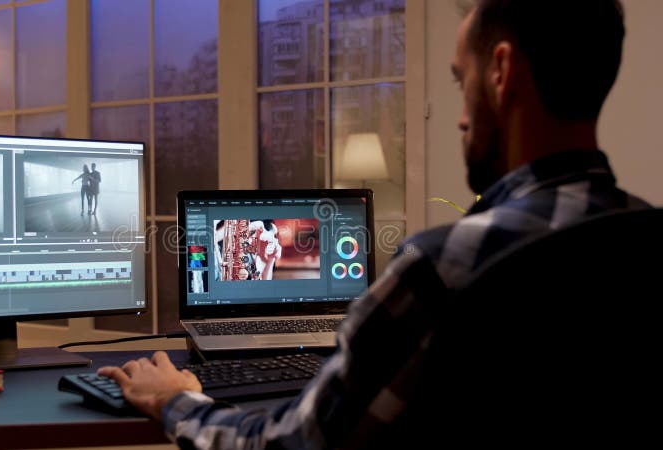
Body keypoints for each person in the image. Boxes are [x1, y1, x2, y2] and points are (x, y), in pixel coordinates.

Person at [97, 1, 649, 447]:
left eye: (462, 82)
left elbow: (294, 443)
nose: (460, 117)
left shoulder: (445, 267)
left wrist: (174, 399)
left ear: (501, 72)